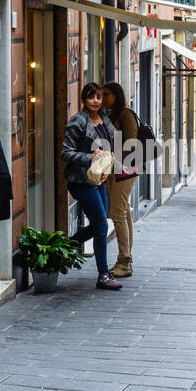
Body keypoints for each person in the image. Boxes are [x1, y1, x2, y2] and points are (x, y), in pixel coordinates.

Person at [62, 82, 123, 290]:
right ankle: (103, 275)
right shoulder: (77, 122)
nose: (95, 101)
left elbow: (114, 137)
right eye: (91, 97)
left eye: (98, 97)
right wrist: (89, 156)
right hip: (80, 180)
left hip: (99, 179)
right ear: (84, 99)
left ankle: (65, 247)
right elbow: (66, 153)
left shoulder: (104, 118)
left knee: (100, 223)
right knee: (102, 225)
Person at [100, 81, 138, 279]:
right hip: (112, 169)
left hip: (126, 168)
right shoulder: (108, 115)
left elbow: (133, 143)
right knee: (123, 211)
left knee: (117, 212)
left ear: (117, 95)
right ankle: (126, 258)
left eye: (107, 94)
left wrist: (115, 160)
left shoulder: (125, 114)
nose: (103, 98)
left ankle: (124, 261)